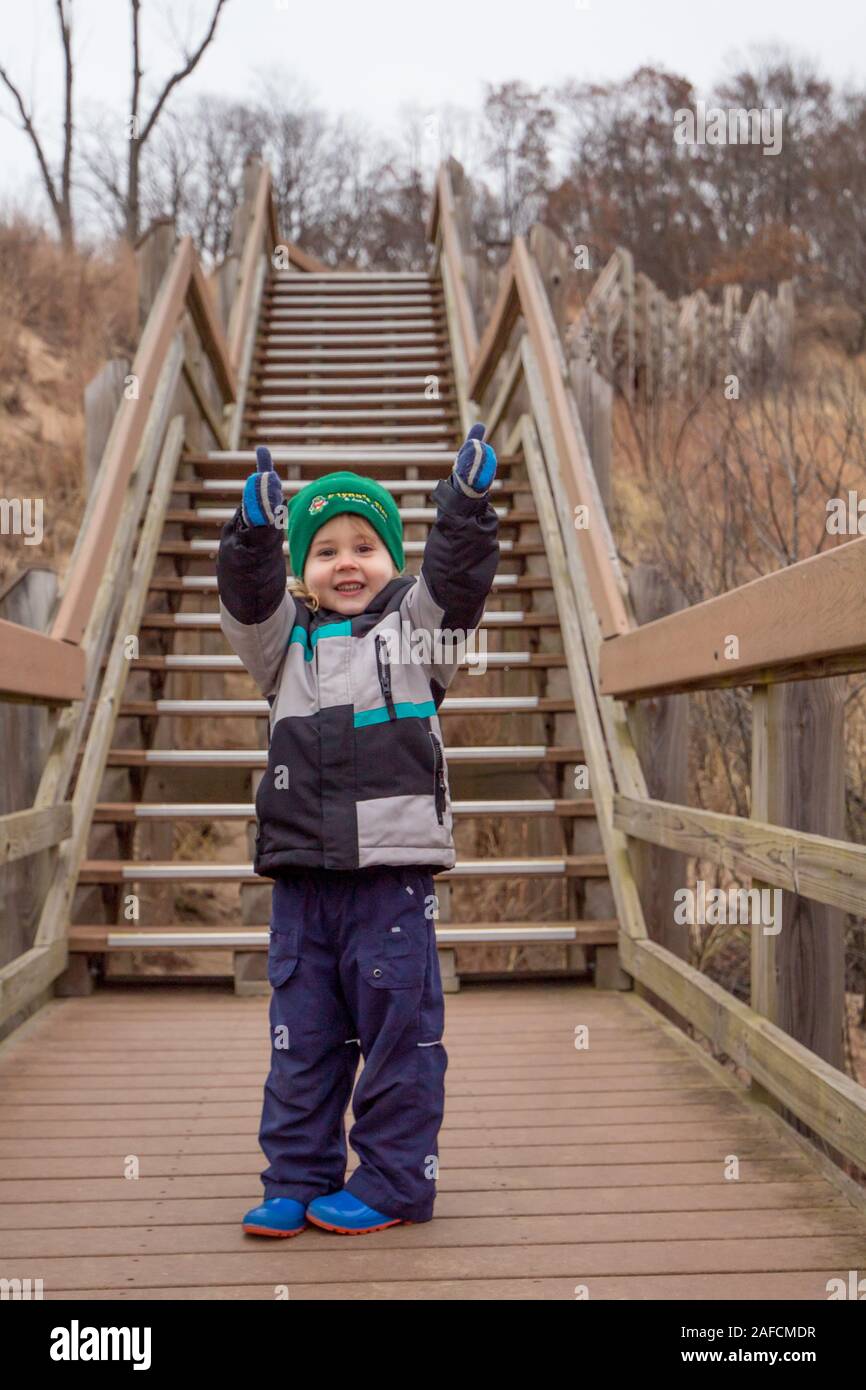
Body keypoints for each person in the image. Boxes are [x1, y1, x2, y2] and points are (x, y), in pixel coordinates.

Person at [216, 424, 499, 1236]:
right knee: (300, 1044)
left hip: (390, 886)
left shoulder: (418, 635)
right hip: (303, 885)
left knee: (399, 1041)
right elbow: (245, 597)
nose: (347, 562)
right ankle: (297, 1177)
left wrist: (466, 508)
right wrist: (252, 536)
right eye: (327, 548)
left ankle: (395, 1181)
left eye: (366, 546)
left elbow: (456, 578)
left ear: (393, 561)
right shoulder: (279, 647)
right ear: (301, 569)